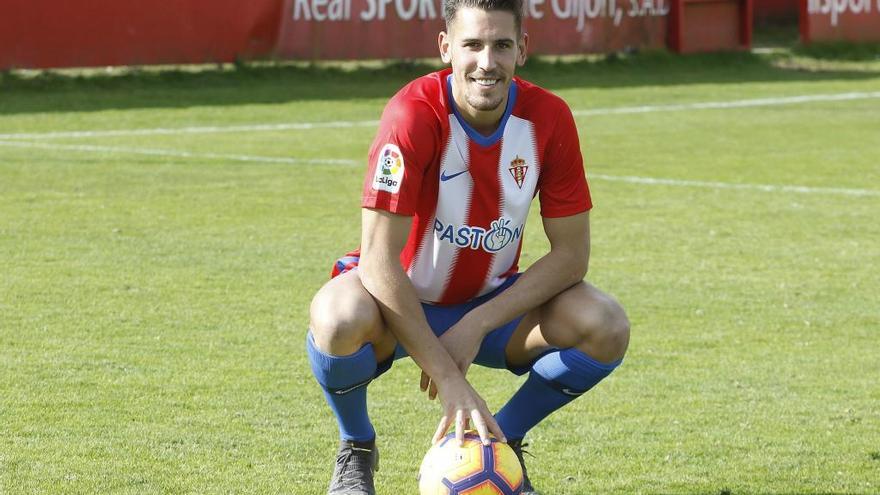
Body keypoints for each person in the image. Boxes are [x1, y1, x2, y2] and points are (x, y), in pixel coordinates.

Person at [306, 0, 630, 493]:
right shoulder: (411, 115)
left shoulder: (549, 118)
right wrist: (449, 377)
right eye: (472, 45)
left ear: (522, 49)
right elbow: (377, 259)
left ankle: (502, 441)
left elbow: (571, 256)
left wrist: (475, 325)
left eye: (501, 45)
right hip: (397, 302)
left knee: (605, 325)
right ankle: (356, 448)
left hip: (490, 301)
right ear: (445, 49)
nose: (487, 61)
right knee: (336, 318)